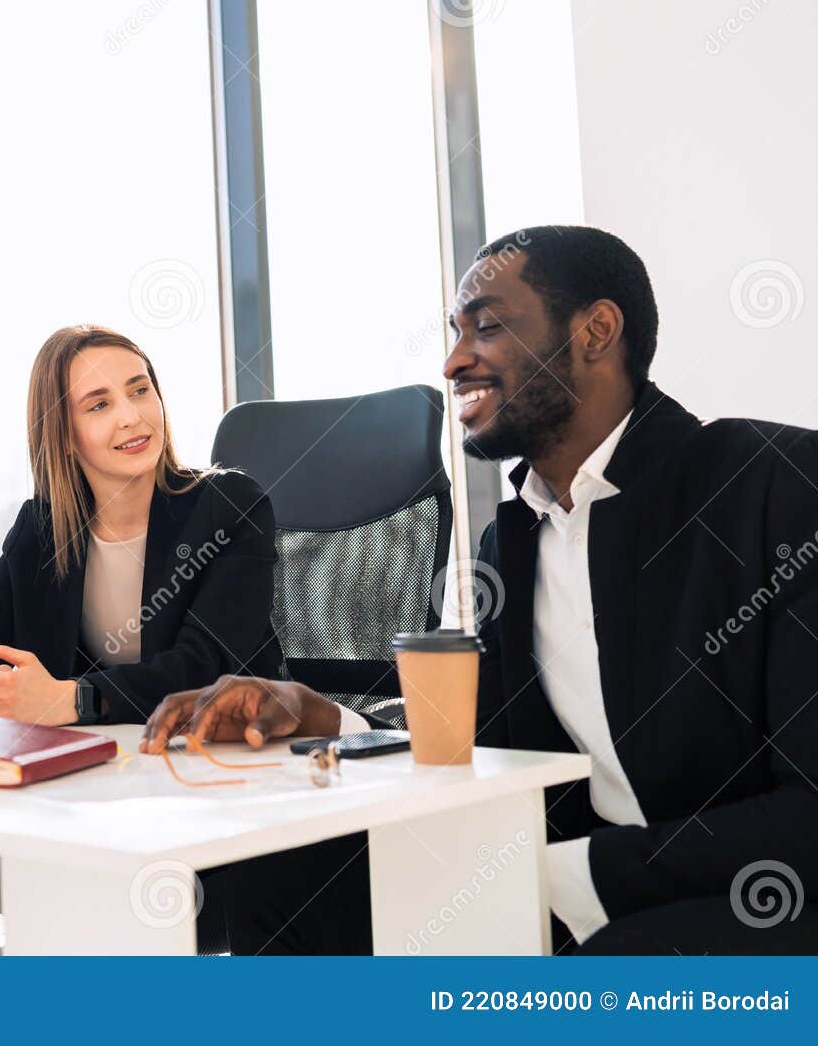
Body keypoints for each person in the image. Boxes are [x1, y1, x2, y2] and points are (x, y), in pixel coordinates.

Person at [143, 225, 818, 955]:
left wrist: (572, 875)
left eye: (487, 327)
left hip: (755, 900)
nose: (454, 360)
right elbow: (490, 751)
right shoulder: (515, 538)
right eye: (456, 331)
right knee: (280, 877)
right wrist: (324, 716)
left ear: (596, 331)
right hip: (569, 878)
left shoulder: (777, 486)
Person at [0, 324, 284, 729]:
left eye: (140, 391)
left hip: (234, 755)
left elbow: (204, 669)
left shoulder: (230, 506)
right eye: (99, 405)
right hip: (113, 766)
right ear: (64, 435)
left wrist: (73, 699)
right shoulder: (42, 531)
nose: (131, 416)